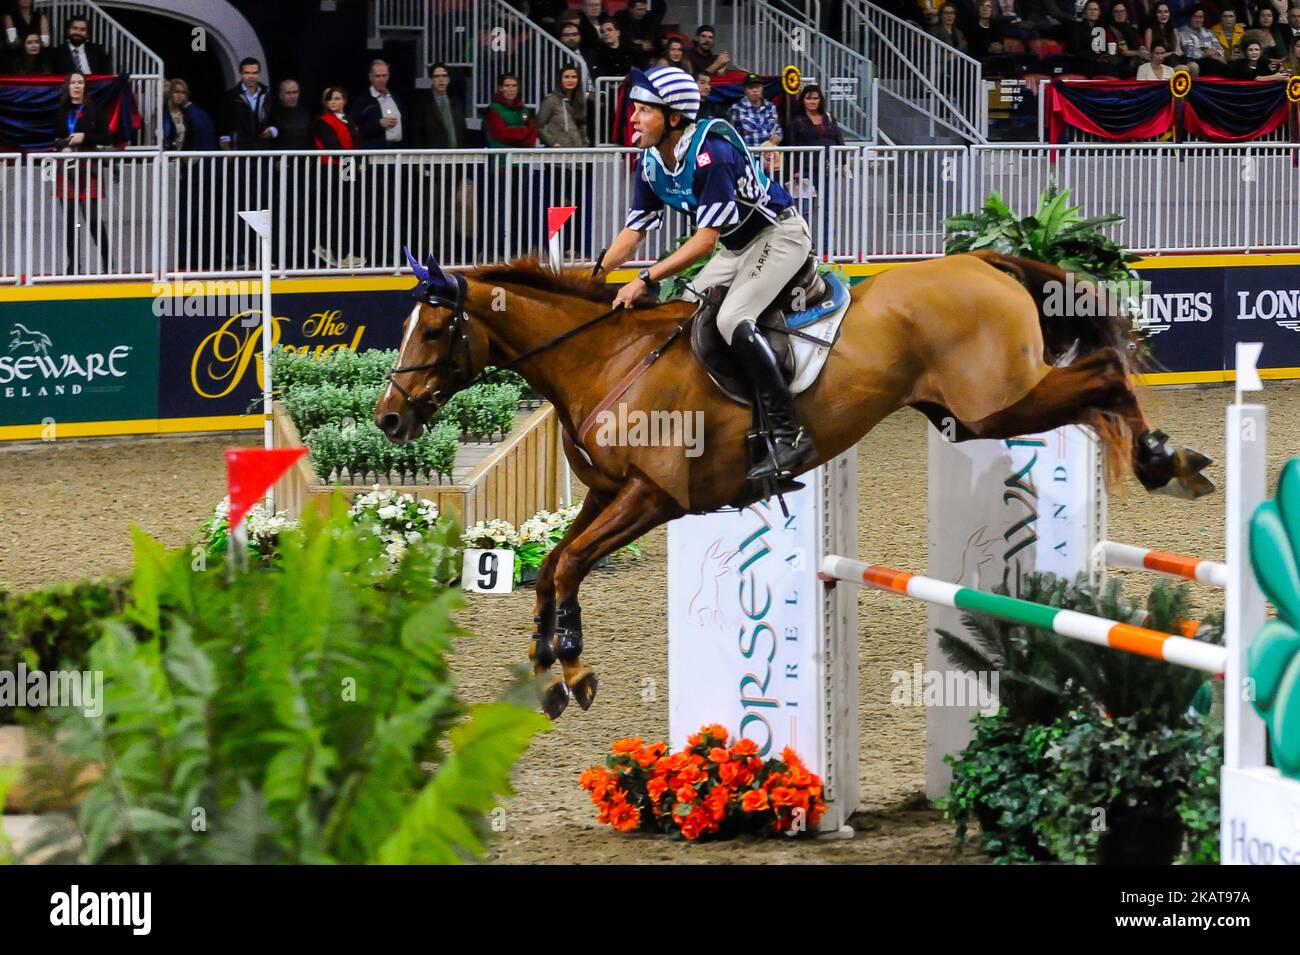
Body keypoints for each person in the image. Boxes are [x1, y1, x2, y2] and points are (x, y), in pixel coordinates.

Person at [597, 66, 815, 482]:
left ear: (673, 118)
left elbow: (703, 241)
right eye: (635, 109)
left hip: (778, 234)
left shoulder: (711, 152)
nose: (633, 118)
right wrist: (593, 274)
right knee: (685, 314)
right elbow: (634, 231)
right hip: (738, 246)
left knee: (732, 318)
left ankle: (789, 434)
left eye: (644, 110)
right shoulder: (651, 162)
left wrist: (644, 279)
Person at [53, 72, 110, 274]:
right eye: (73, 83)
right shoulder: (61, 110)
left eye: (80, 82)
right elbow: (56, 136)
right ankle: (74, 264)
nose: (77, 86)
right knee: (71, 221)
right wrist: (63, 143)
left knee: (92, 218)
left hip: (88, 166)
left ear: (85, 87)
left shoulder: (94, 109)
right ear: (67, 87)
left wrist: (83, 137)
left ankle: (107, 261)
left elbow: (106, 136)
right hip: (66, 166)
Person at [313, 86, 364, 269]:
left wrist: (357, 162)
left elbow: (355, 143)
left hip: (348, 167)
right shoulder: (323, 122)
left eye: (337, 98)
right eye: (331, 99)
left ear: (344, 100)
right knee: (336, 209)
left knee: (348, 209)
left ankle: (344, 251)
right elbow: (332, 146)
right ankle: (333, 249)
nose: (334, 102)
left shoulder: (349, 120)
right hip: (332, 169)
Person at [219, 57, 274, 149]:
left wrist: (272, 131)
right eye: (247, 73)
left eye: (254, 73)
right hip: (240, 150)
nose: (251, 76)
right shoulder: (230, 96)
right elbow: (224, 124)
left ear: (259, 74)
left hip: (264, 150)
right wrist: (227, 149)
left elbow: (274, 118)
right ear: (241, 74)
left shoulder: (267, 94)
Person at [352, 59, 406, 149]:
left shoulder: (395, 97)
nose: (381, 79)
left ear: (389, 76)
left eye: (384, 76)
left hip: (397, 151)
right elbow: (355, 129)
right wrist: (378, 124)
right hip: (374, 152)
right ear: (370, 77)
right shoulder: (363, 100)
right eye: (378, 76)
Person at [412, 62, 467, 149]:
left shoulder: (456, 104)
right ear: (431, 80)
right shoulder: (423, 104)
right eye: (437, 76)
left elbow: (462, 132)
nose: (441, 80)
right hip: (433, 157)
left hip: (456, 156)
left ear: (448, 79)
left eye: (444, 76)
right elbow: (417, 134)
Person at [726, 73, 782, 148]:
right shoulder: (736, 109)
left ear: (762, 88)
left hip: (769, 155)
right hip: (747, 155)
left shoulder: (771, 107)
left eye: (757, 87)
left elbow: (778, 129)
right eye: (751, 88)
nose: (755, 90)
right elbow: (730, 135)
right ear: (745, 90)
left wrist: (777, 136)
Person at [538, 65, 589, 147]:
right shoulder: (551, 100)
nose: (570, 80)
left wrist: (585, 143)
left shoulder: (580, 101)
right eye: (566, 77)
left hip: (578, 151)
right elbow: (539, 126)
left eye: (574, 77)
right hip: (557, 154)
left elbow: (582, 125)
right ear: (560, 79)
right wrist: (553, 143)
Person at [162, 78, 216, 150]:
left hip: (181, 157)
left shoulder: (187, 115)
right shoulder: (162, 114)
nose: (180, 95)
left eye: (183, 92)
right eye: (176, 92)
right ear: (169, 93)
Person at [269, 79, 313, 150]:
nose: (292, 96)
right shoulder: (272, 115)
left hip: (305, 157)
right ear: (280, 95)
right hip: (282, 158)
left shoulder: (306, 113)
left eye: (295, 92)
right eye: (288, 93)